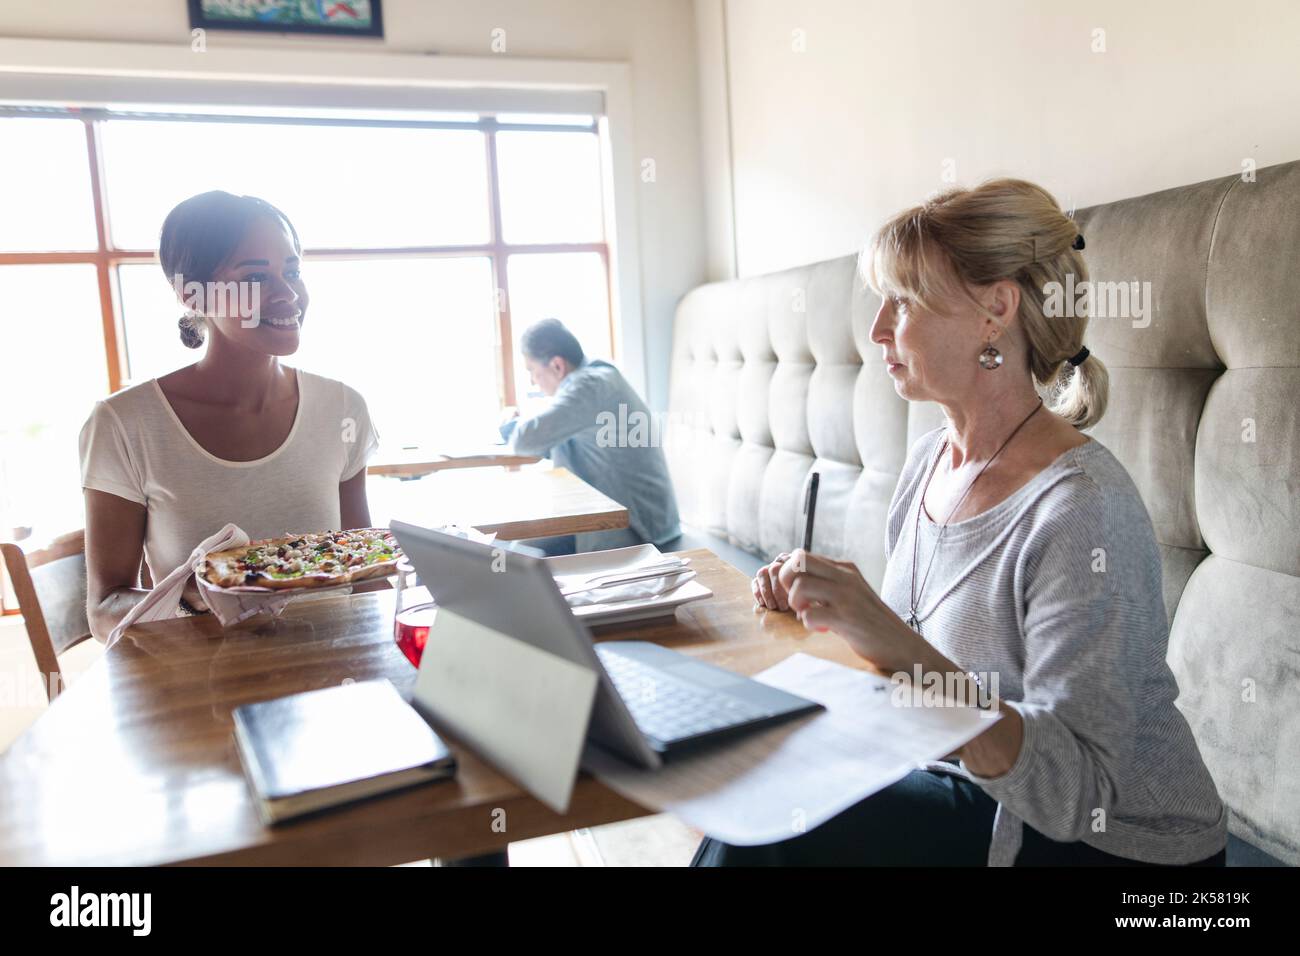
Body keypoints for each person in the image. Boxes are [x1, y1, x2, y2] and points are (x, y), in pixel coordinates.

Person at [696, 179, 1227, 866]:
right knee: (755, 786)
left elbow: (1077, 792)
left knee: (776, 830)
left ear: (994, 311)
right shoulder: (929, 463)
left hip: (1116, 847)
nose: (879, 329)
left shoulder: (1081, 509)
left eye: (905, 302)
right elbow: (928, 669)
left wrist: (883, 633)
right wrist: (833, 610)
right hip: (968, 786)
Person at [80, 191, 379, 642]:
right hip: (207, 691)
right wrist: (193, 592)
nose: (287, 294)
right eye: (256, 278)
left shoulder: (342, 408)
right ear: (191, 294)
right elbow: (104, 613)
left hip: (335, 675)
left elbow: (366, 573)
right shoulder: (124, 424)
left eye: (292, 271)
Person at [500, 318, 681, 554]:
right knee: (516, 555)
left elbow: (525, 441)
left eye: (532, 371)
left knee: (514, 559)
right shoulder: (598, 377)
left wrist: (507, 423)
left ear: (557, 365)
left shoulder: (587, 386)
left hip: (641, 529)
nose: (533, 380)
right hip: (639, 517)